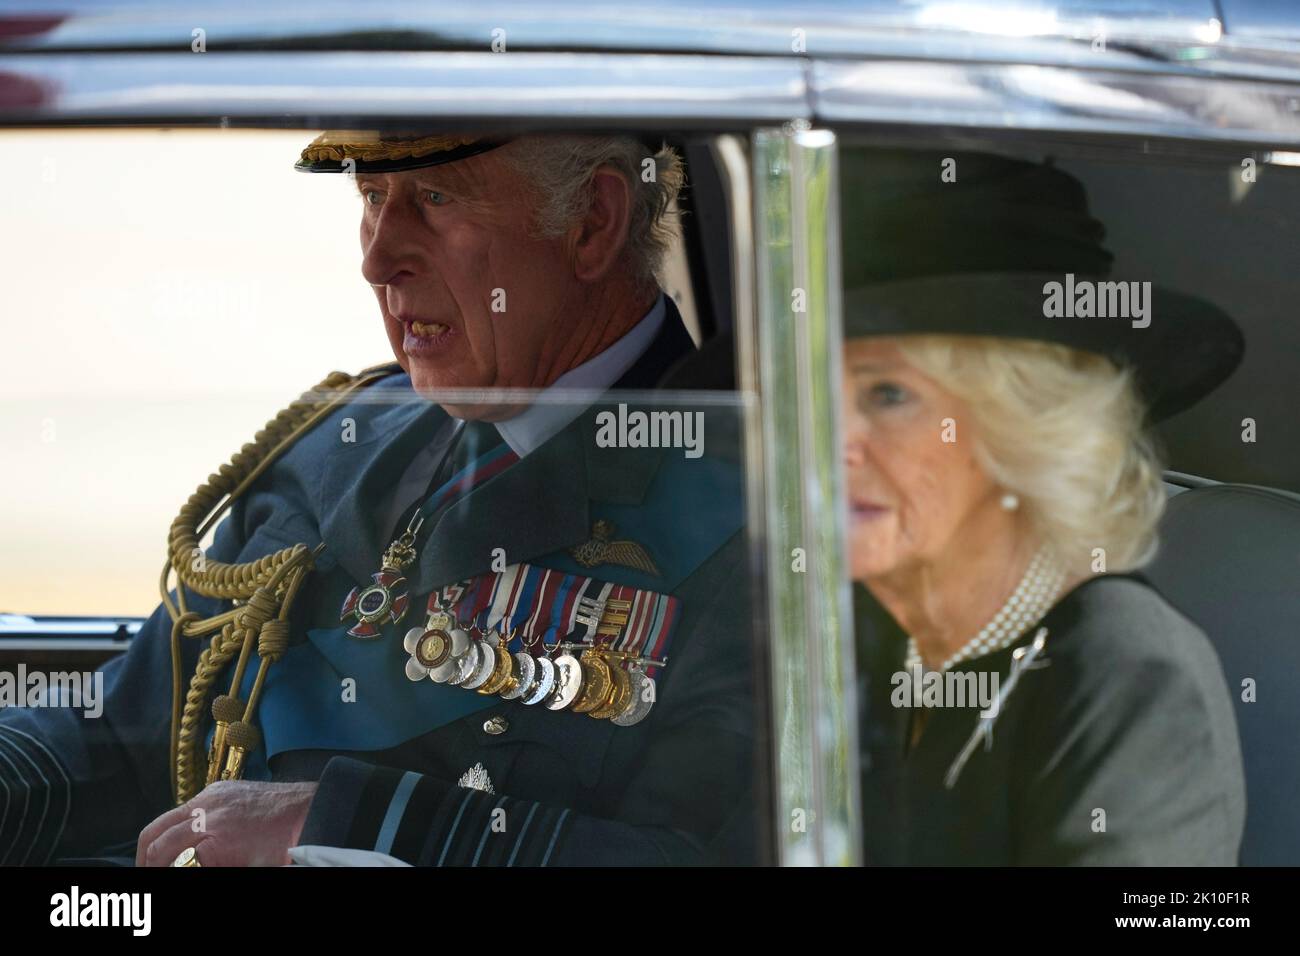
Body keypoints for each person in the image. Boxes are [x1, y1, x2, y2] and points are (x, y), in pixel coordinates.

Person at [0, 131, 757, 866]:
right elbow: (129, 734)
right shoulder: (339, 436)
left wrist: (342, 822)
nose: (376, 259)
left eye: (433, 197)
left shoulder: (746, 511)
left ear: (592, 222)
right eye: (371, 196)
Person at [840, 149, 1247, 864]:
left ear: (1020, 424)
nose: (832, 441)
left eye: (888, 395)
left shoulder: (1129, 677)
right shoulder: (859, 635)